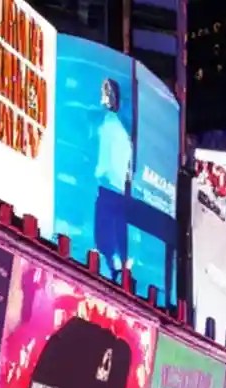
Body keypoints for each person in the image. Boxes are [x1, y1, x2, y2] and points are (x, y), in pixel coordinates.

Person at [93, 77, 132, 277]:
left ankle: (116, 266)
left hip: (111, 185)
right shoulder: (117, 127)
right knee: (113, 231)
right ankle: (118, 266)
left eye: (106, 93)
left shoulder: (112, 125)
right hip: (115, 186)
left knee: (107, 234)